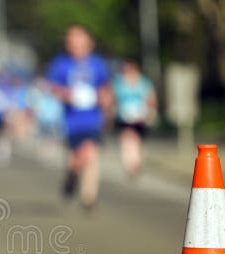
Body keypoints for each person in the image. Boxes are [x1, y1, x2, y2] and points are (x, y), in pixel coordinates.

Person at [47, 25, 111, 209]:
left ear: (88, 42)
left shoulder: (97, 64)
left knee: (91, 153)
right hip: (71, 121)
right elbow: (53, 88)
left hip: (93, 119)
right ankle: (72, 174)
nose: (74, 43)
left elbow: (105, 88)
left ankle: (89, 196)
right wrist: (68, 94)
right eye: (71, 39)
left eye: (78, 39)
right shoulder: (61, 64)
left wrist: (104, 100)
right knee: (76, 157)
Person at [113, 59, 156, 178]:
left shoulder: (143, 82)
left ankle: (136, 161)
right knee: (127, 139)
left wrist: (150, 111)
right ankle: (130, 164)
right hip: (124, 117)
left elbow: (151, 97)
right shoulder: (119, 83)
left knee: (137, 140)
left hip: (140, 116)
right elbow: (114, 98)